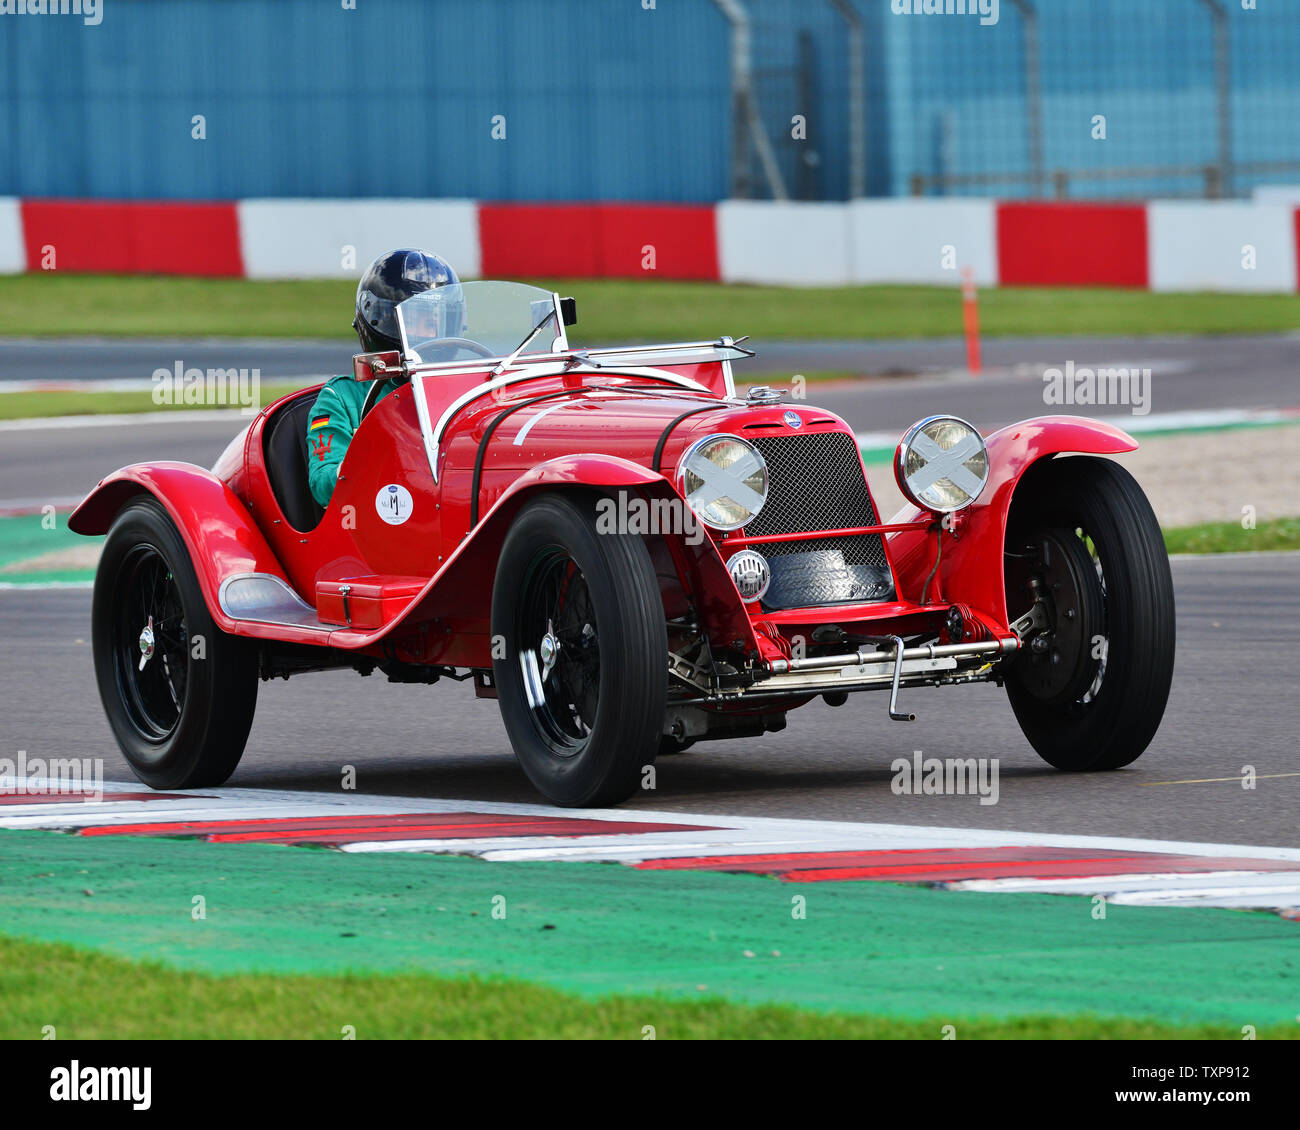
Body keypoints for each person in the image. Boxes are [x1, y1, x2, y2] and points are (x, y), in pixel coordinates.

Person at [306, 248, 460, 508]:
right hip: (376, 521)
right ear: (384, 321)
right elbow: (323, 485)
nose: (426, 333)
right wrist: (375, 456)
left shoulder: (463, 388)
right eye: (413, 321)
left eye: (433, 321)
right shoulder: (342, 397)